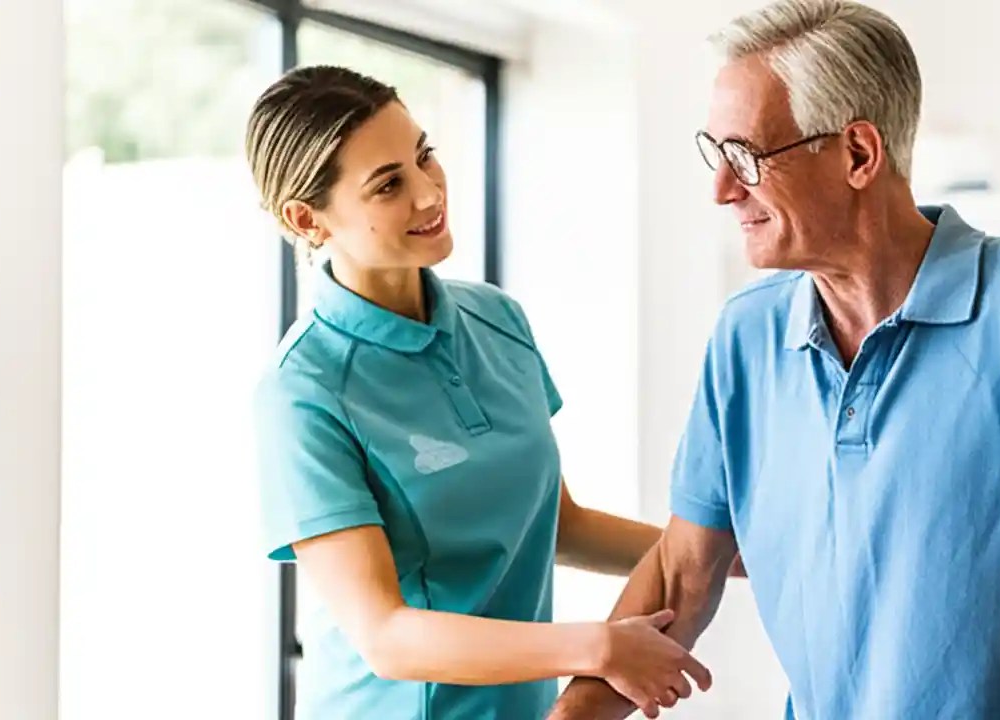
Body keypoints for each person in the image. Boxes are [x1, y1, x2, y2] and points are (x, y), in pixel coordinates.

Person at [549, 1, 1000, 719]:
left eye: (747, 157)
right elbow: (681, 577)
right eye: (716, 154)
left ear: (857, 154)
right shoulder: (744, 339)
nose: (722, 190)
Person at [245, 65, 717, 720]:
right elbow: (385, 635)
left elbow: (559, 525)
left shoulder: (498, 320)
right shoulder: (302, 391)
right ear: (308, 218)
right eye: (388, 185)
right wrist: (598, 648)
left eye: (424, 156)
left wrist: (724, 550)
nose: (428, 192)